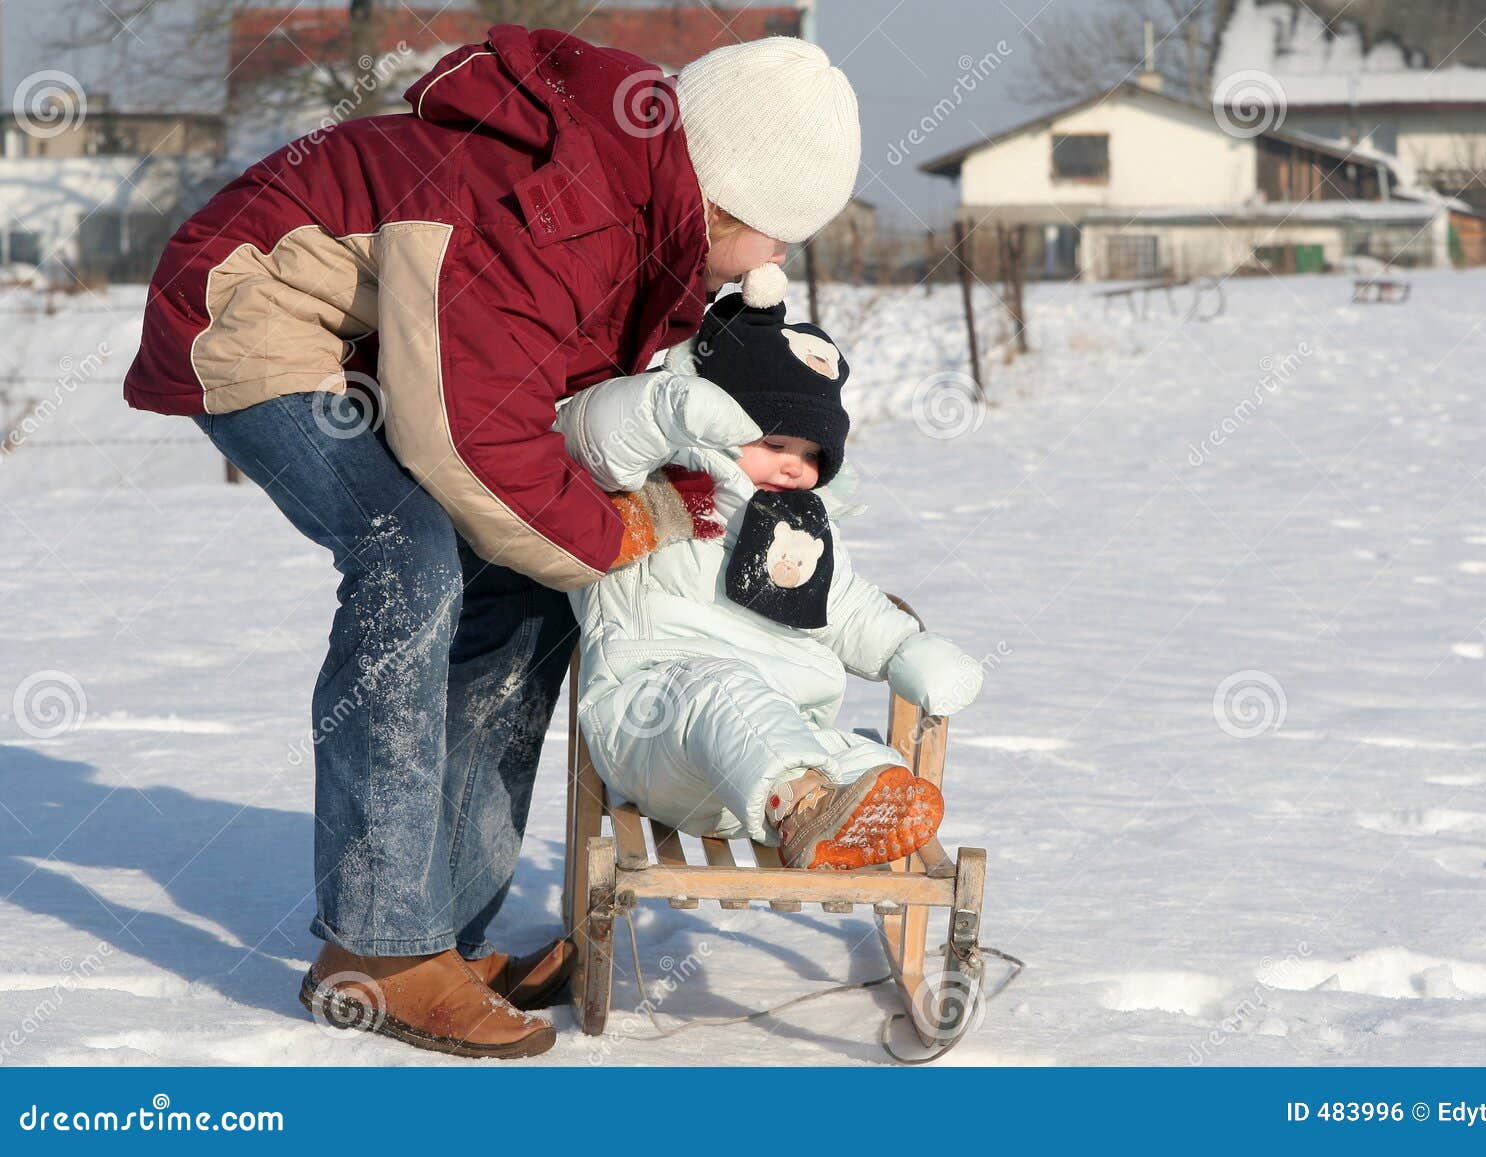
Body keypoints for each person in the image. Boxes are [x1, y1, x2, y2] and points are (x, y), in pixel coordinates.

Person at [119, 26, 861, 1058]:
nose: (778, 261)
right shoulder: (558, 208)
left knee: (520, 585)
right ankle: (378, 951)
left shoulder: (638, 218)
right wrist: (614, 530)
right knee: (406, 554)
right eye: (782, 236)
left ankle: (441, 933)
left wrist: (658, 489)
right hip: (252, 306)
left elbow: (547, 400)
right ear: (731, 202)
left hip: (373, 342)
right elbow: (465, 437)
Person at [556, 275, 983, 870]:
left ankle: (849, 807)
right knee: (723, 691)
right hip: (654, 725)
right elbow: (586, 435)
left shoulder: (799, 528)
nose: (794, 468)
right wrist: (665, 405)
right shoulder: (652, 487)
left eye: (812, 455)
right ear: (717, 425)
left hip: (778, 743)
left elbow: (844, 604)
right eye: (777, 444)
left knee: (857, 755)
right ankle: (807, 806)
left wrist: (904, 649)